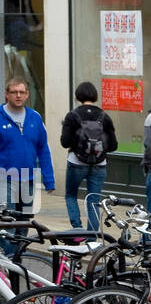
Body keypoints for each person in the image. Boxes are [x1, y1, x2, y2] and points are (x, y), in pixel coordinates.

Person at [60, 81, 118, 233]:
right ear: (95, 96)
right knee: (93, 200)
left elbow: (65, 143)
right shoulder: (104, 117)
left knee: (71, 195)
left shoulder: (72, 116)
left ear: (77, 96)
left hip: (76, 162)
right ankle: (92, 237)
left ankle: (77, 229)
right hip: (99, 164)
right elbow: (113, 146)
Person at [0, 77, 54, 217]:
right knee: (7, 222)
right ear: (7, 94)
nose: (18, 95)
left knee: (24, 222)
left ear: (27, 94)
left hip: (28, 178)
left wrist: (49, 179)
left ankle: (21, 240)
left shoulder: (35, 117)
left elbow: (43, 150)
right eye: (14, 92)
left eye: (22, 92)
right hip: (5, 179)